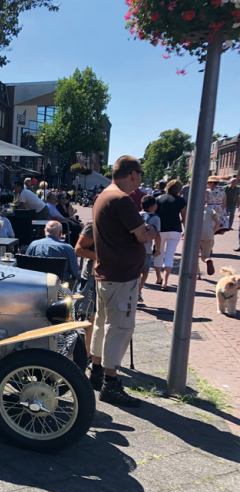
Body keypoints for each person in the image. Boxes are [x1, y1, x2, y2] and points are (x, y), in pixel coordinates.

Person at [90, 155, 157, 407]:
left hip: (106, 272)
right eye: (140, 174)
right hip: (121, 275)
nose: (140, 180)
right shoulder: (121, 200)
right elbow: (142, 235)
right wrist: (150, 232)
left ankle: (96, 371)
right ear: (133, 174)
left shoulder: (103, 197)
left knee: (102, 323)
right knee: (120, 327)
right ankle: (110, 382)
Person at [154, 179, 187, 291]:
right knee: (169, 255)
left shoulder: (158, 199)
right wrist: (185, 230)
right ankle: (165, 281)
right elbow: (184, 217)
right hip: (175, 229)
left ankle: (158, 277)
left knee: (159, 252)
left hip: (160, 230)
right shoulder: (181, 201)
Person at [74, 220, 96, 358]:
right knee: (93, 316)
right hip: (94, 276)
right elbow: (79, 249)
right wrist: (109, 258)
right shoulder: (93, 224)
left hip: (119, 277)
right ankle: (89, 354)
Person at [138, 195, 162, 300]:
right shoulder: (155, 218)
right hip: (146, 249)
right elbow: (157, 235)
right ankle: (138, 291)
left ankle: (131, 290)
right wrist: (158, 249)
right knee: (145, 271)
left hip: (133, 247)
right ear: (153, 206)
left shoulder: (136, 215)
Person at [198, 198, 221, 279]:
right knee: (205, 255)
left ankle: (197, 274)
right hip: (208, 235)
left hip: (196, 235)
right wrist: (213, 231)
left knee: (193, 255)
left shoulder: (193, 210)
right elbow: (218, 222)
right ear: (206, 202)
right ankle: (208, 260)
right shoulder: (210, 210)